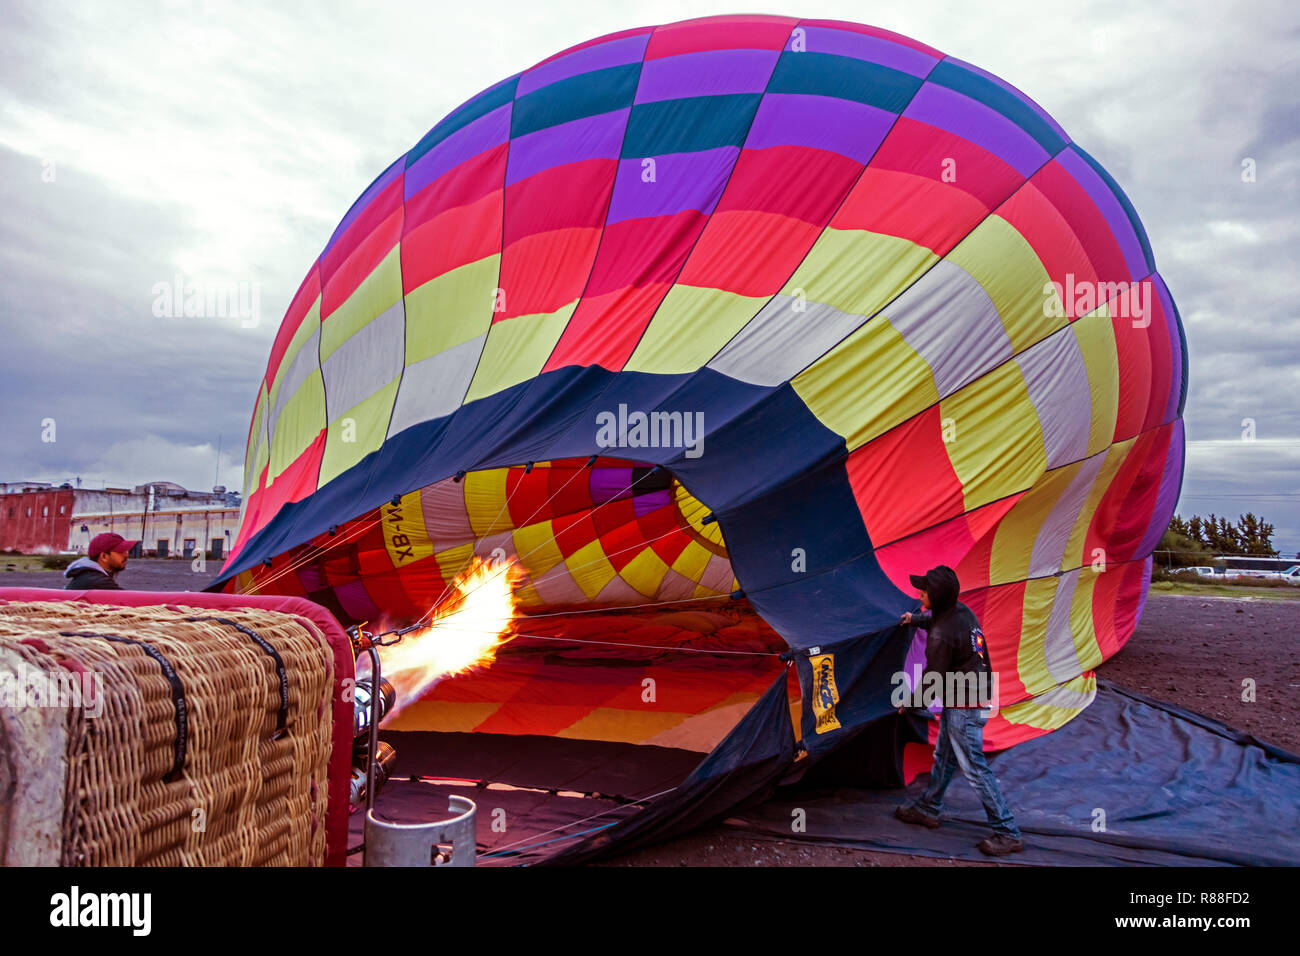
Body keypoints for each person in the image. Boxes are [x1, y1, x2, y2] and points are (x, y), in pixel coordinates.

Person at [893, 564, 1024, 856]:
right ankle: (929, 808)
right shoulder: (961, 611)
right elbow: (939, 622)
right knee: (945, 756)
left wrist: (909, 704)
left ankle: (1007, 832)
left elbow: (933, 680)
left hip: (966, 703)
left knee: (974, 767)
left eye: (923, 592)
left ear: (935, 597)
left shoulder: (941, 634)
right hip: (970, 692)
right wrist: (916, 619)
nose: (919, 593)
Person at [63, 533, 138, 590]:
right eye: (121, 551)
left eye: (126, 551)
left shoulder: (87, 575)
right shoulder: (99, 583)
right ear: (104, 557)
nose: (126, 555)